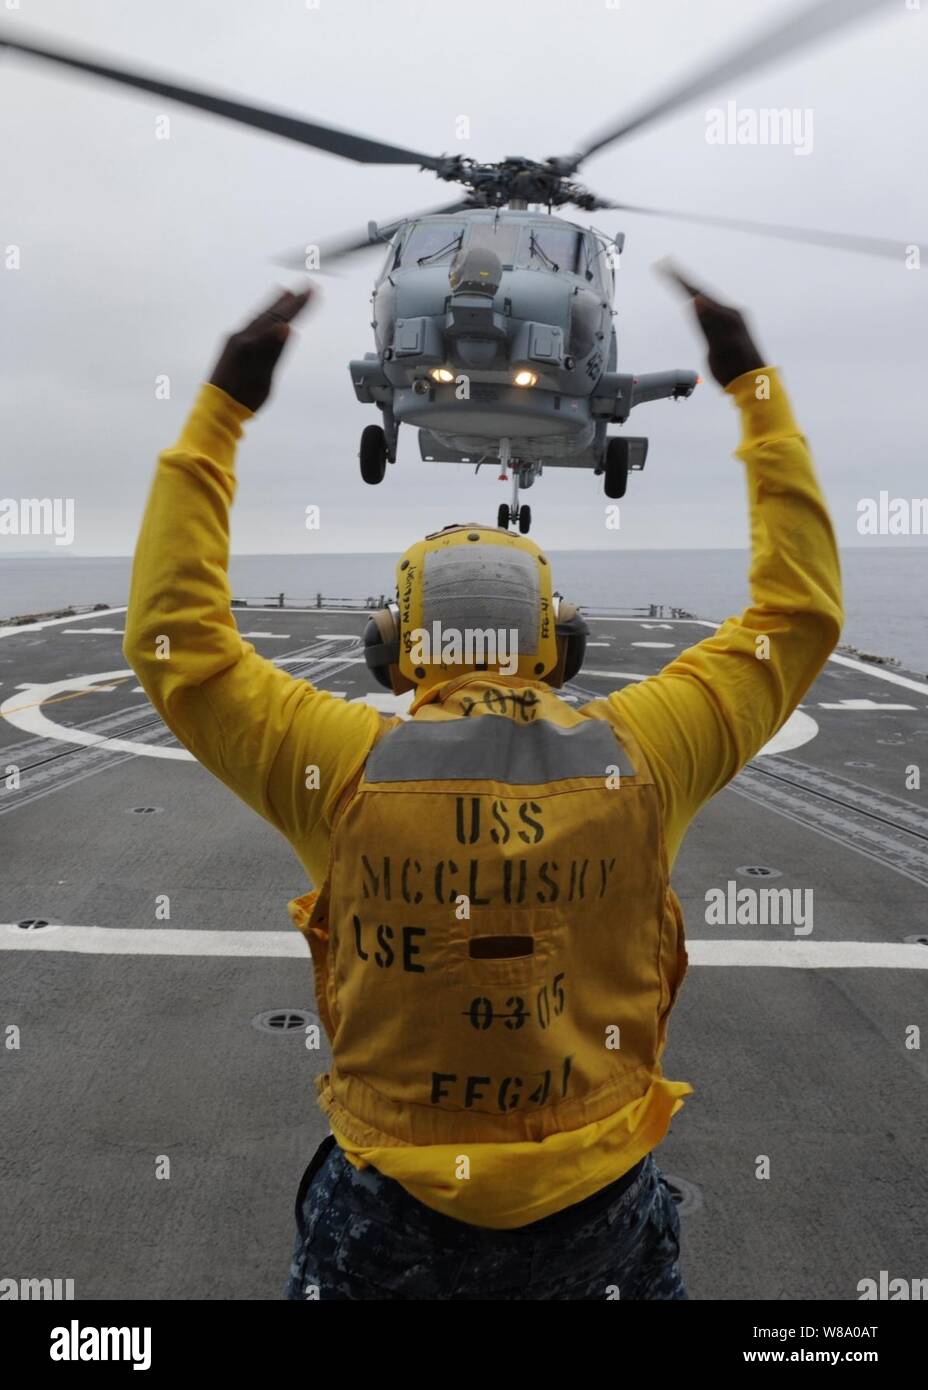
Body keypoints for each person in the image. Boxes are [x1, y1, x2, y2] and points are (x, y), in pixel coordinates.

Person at [123, 278, 843, 1300]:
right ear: (560, 645)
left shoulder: (338, 767)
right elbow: (799, 613)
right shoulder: (646, 753)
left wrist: (220, 411)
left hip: (388, 1218)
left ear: (392, 647)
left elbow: (177, 645)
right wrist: (753, 391)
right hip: (595, 1206)